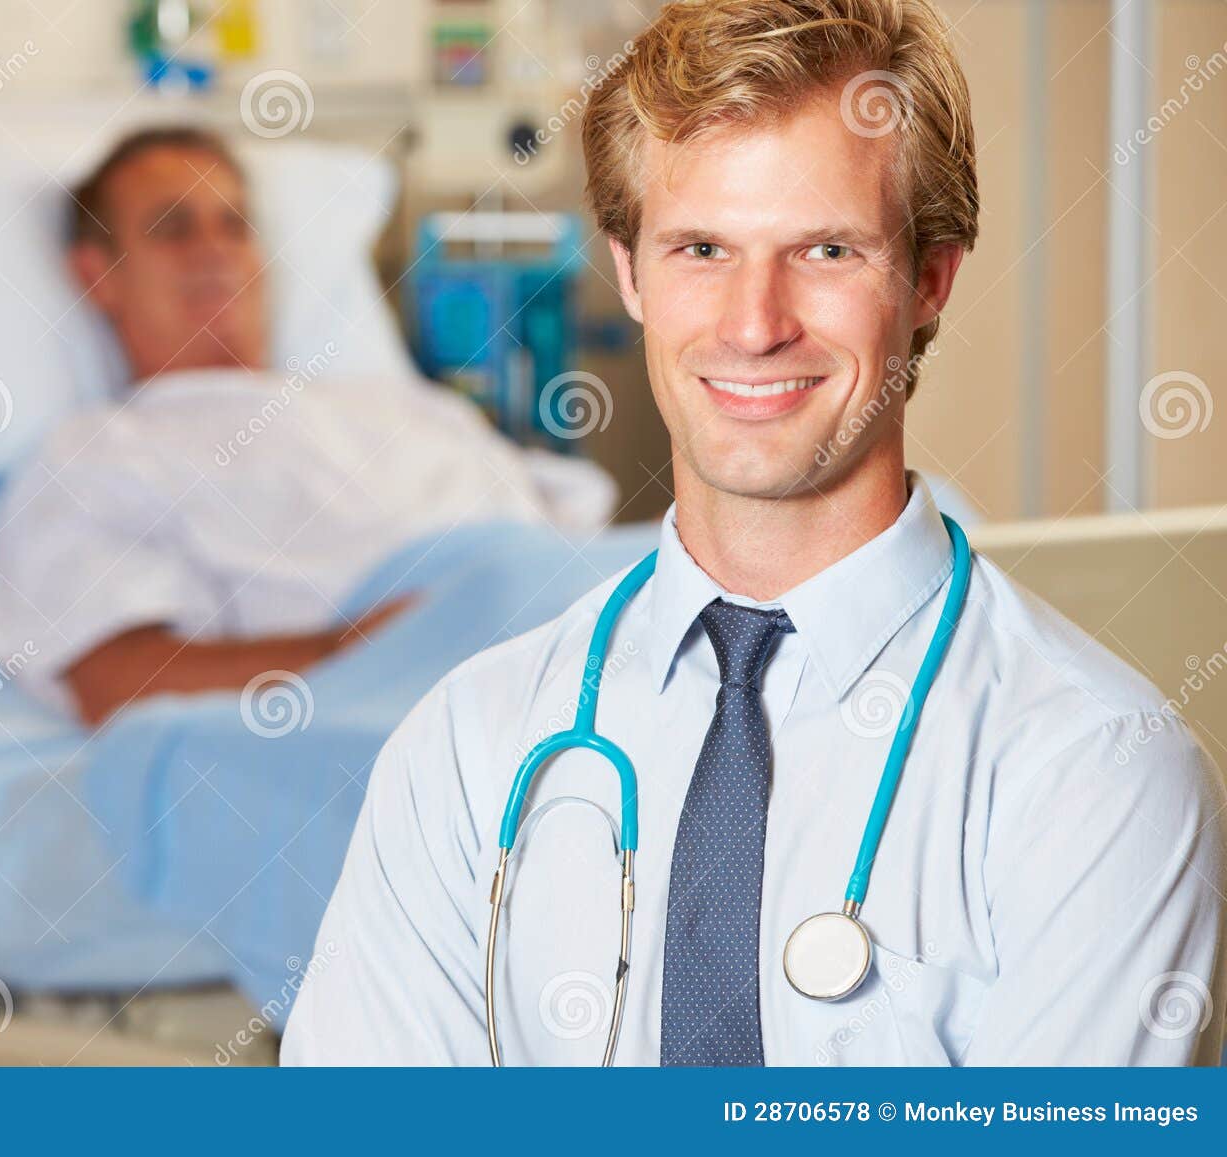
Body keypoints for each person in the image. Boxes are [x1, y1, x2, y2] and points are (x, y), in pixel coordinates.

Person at [282, 0, 1227, 1065]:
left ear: (928, 277)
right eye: (701, 248)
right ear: (631, 272)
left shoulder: (1090, 773)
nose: (752, 322)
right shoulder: (465, 750)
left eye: (825, 249)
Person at [0, 128, 616, 725]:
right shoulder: (98, 453)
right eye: (172, 228)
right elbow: (114, 679)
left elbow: (569, 547)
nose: (214, 250)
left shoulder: (406, 405)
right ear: (99, 274)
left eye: (235, 224)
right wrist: (351, 652)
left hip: (587, 625)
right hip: (420, 699)